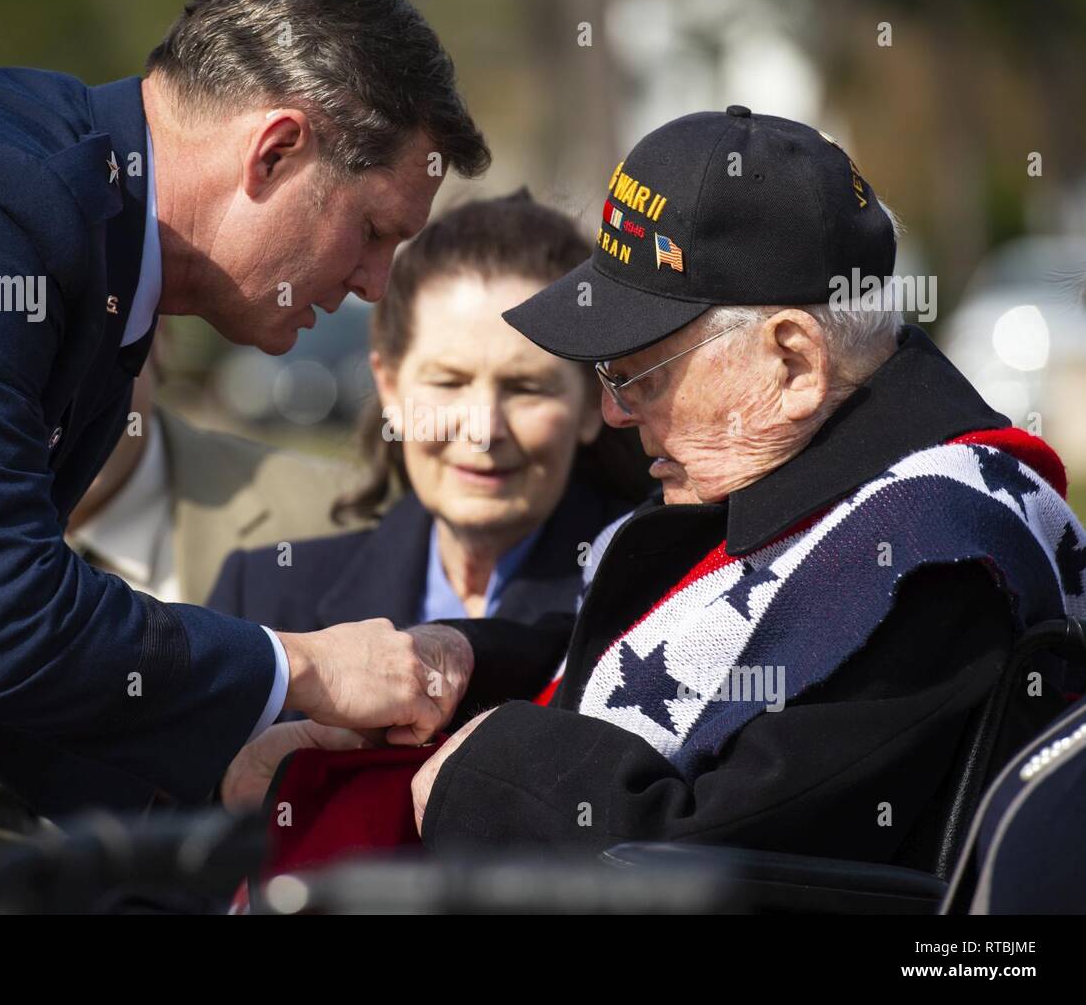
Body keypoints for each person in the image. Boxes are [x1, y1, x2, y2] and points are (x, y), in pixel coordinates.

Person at [229, 107, 1086, 873]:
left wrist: (491, 761)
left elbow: (720, 855)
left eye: (639, 373)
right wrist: (462, 667)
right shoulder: (806, 466)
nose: (610, 409)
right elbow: (660, 659)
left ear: (791, 361)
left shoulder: (928, 552)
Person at [0, 0, 486, 818]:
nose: (375, 284)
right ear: (275, 151)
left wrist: (212, 781)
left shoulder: (89, 228)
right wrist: (306, 665)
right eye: (374, 230)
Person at [0, 349, 366, 913]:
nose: (35, 390)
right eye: (0, 358)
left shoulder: (331, 514)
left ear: (152, 337)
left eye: (70, 341)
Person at [210, 193, 652, 715]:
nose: (484, 430)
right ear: (390, 388)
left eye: (527, 388)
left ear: (588, 405)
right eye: (449, 381)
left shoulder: (654, 600)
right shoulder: (268, 599)